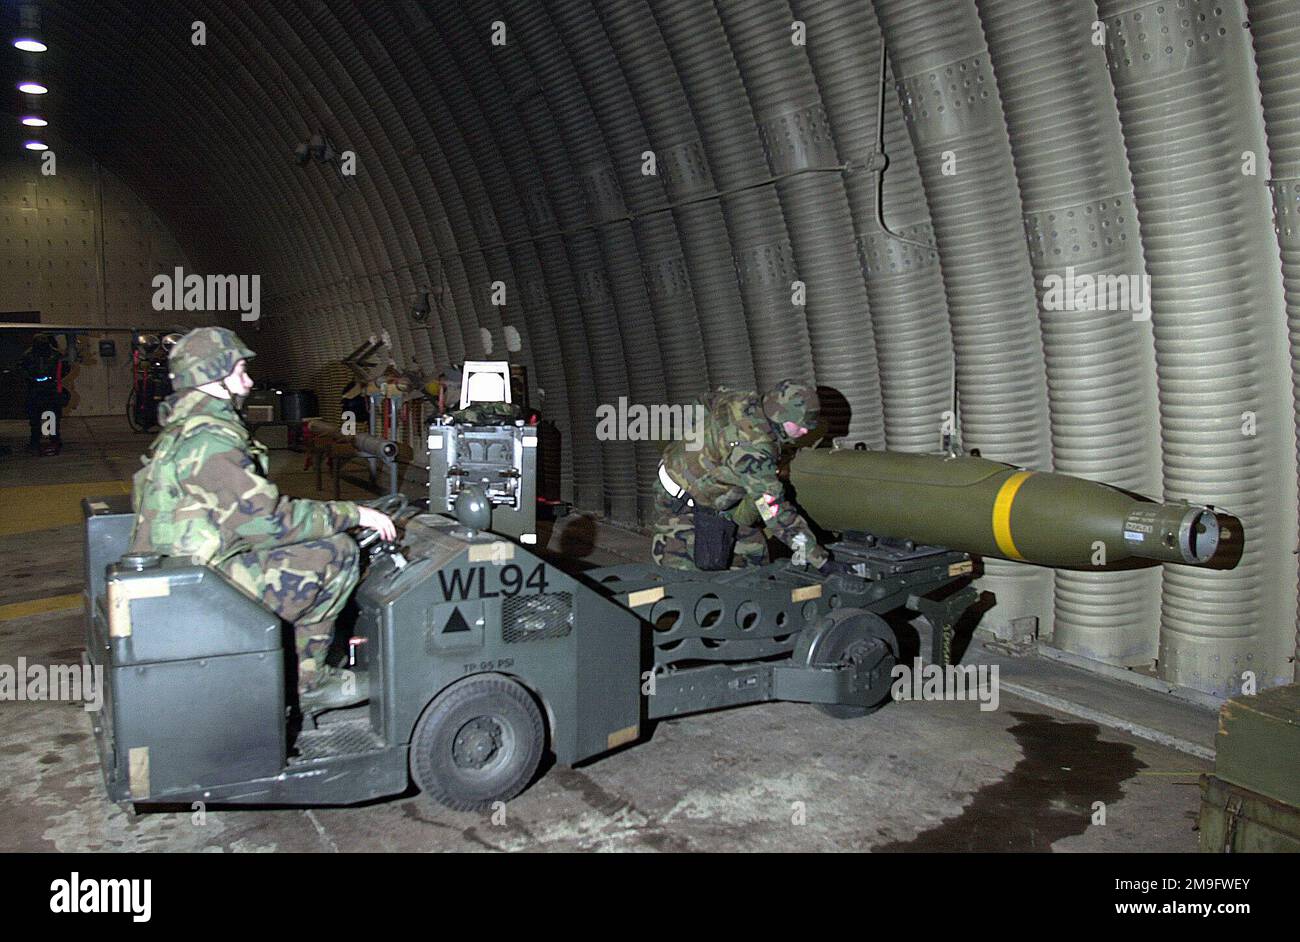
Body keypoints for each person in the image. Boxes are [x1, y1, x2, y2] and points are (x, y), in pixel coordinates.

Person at [127, 326, 396, 710]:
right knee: (338, 554)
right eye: (239, 371)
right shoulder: (210, 440)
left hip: (188, 572)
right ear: (213, 378)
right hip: (201, 588)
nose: (249, 381)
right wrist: (354, 513)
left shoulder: (186, 428)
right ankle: (311, 682)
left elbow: (250, 511)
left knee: (314, 537)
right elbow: (268, 521)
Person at [651, 379, 832, 572]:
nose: (804, 431)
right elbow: (775, 513)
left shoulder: (743, 400)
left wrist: (700, 445)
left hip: (713, 493)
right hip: (680, 500)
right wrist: (820, 559)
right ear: (779, 415)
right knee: (693, 571)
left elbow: (702, 401)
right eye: (799, 425)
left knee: (753, 551)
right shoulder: (755, 450)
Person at [18, 333, 69, 454]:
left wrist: (55, 378)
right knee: (35, 418)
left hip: (50, 388)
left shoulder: (55, 354)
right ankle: (35, 440)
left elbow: (65, 367)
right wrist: (29, 378)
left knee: (51, 416)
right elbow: (20, 368)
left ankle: (53, 440)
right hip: (35, 388)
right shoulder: (28, 355)